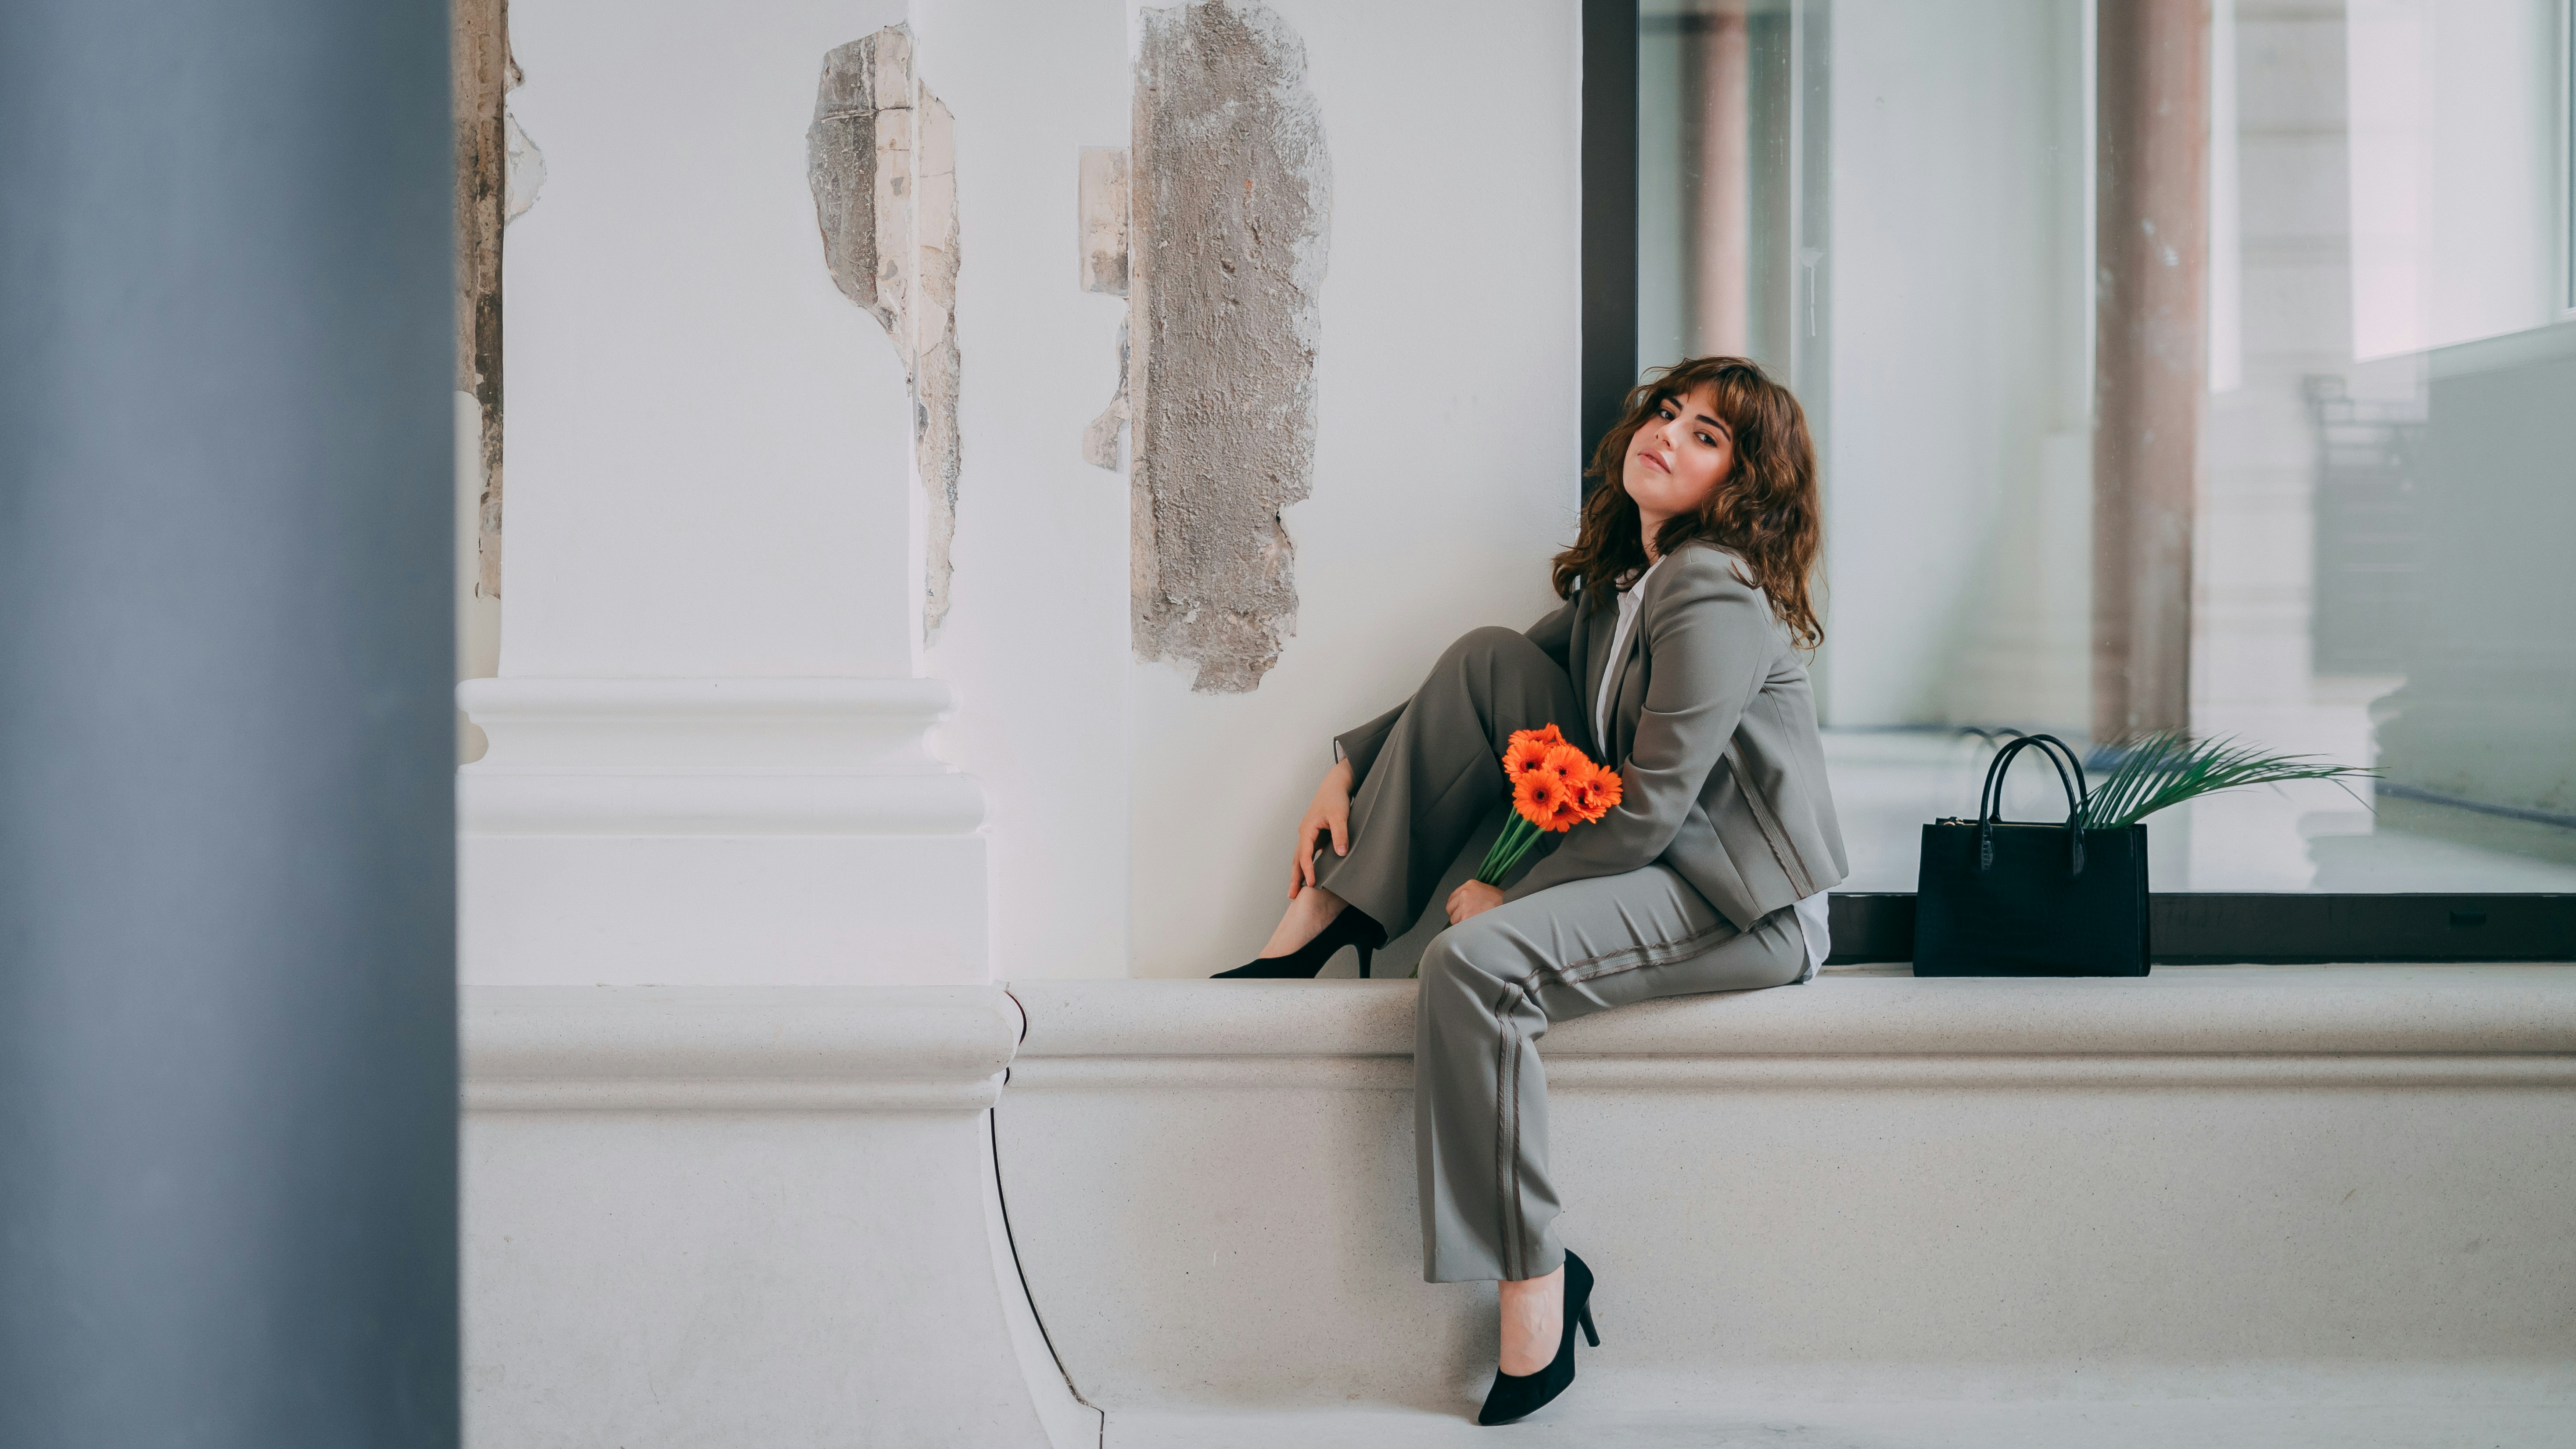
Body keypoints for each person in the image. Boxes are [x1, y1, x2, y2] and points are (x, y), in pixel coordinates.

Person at [1214, 356, 1846, 1425]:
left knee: (1471, 965)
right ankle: (1327, 914)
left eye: (1706, 437)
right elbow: (1480, 684)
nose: (1667, 435)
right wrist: (1345, 768)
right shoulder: (1626, 579)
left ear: (1743, 484)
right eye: (1666, 413)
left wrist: (1509, 894)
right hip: (1657, 859)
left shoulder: (1711, 589)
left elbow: (1650, 807)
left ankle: (1538, 1277)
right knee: (1488, 657)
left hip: (1740, 902)